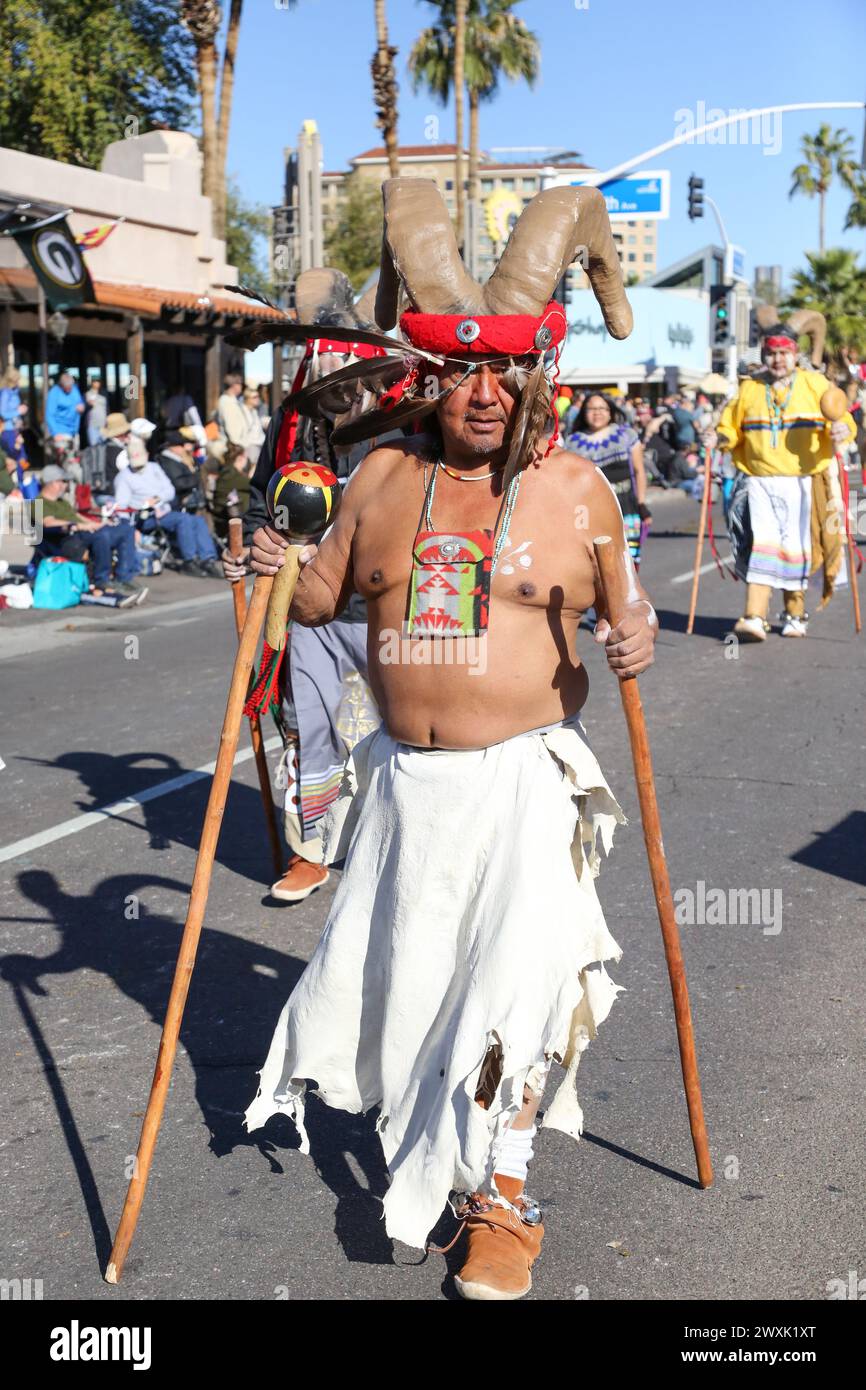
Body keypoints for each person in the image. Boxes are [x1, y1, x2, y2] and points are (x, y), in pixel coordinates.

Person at [243, 179, 656, 1300]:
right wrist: (272, 569)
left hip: (522, 786)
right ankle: (430, 1151)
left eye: (505, 371)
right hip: (401, 793)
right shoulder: (380, 479)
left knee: (513, 993)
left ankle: (502, 1199)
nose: (483, 393)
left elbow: (629, 613)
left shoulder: (575, 490)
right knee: (413, 993)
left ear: (537, 376)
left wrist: (635, 638)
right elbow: (320, 600)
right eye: (460, 371)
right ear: (426, 378)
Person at [703, 312, 856, 640]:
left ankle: (795, 613)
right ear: (763, 355)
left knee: (796, 547)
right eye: (771, 353)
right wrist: (720, 438)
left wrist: (842, 428)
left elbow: (843, 417)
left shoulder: (815, 384)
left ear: (796, 355)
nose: (777, 359)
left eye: (783, 352)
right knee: (763, 546)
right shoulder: (749, 389)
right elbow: (730, 426)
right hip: (758, 481)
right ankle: (754, 616)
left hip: (804, 482)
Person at [34, 464, 146, 602]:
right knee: (101, 536)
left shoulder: (62, 502)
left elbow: (78, 516)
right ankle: (102, 579)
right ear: (51, 482)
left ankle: (123, 577)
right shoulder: (38, 502)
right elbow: (48, 523)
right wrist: (78, 525)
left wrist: (97, 523)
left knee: (126, 529)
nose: (65, 485)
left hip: (83, 531)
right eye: (62, 482)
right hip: (68, 537)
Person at [568, 391, 651, 566]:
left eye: (602, 408)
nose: (597, 412)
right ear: (583, 413)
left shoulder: (627, 435)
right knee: (595, 564)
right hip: (589, 511)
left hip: (626, 506)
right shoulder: (572, 442)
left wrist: (642, 503)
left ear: (611, 411)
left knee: (628, 562)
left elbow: (639, 471)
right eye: (591, 408)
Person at [149, 431, 220, 575]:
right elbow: (178, 484)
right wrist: (195, 477)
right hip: (169, 505)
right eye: (181, 445)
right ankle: (190, 559)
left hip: (173, 503)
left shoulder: (176, 460)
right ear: (172, 447)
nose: (184, 448)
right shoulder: (167, 461)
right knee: (185, 520)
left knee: (199, 521)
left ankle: (208, 558)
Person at [45, 371, 85, 447]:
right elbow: (49, 415)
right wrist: (55, 433)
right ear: (61, 385)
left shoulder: (74, 389)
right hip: (61, 432)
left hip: (74, 431)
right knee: (67, 457)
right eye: (67, 388)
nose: (69, 390)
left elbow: (80, 402)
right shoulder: (54, 393)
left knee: (75, 457)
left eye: (70, 387)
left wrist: (82, 407)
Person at [0, 366, 28, 460]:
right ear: (11, 380)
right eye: (17, 380)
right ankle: (16, 475)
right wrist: (18, 411)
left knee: (22, 458)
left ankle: (19, 474)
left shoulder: (14, 392)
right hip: (8, 431)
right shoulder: (5, 393)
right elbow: (2, 413)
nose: (18, 382)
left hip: (16, 430)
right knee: (19, 458)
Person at [216, 372, 246, 446]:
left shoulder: (231, 400)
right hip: (234, 446)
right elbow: (231, 428)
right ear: (234, 385)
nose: (241, 386)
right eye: (240, 383)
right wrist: (238, 446)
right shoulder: (227, 402)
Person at [84, 377, 108, 447]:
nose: (96, 383)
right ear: (92, 383)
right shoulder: (87, 394)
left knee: (103, 446)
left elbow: (107, 408)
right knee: (93, 446)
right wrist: (88, 405)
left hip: (102, 423)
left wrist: (107, 420)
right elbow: (84, 409)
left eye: (98, 381)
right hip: (92, 424)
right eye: (94, 382)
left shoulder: (104, 393)